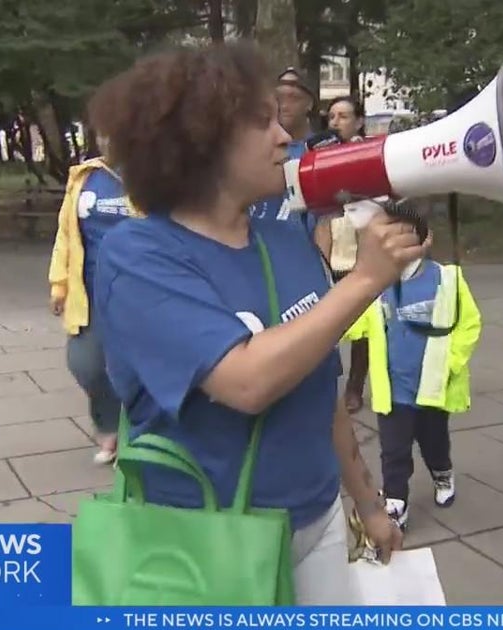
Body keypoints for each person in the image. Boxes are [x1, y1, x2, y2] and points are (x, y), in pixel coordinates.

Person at [90, 43, 421, 604]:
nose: (284, 137)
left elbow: (319, 386)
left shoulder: (282, 237)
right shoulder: (139, 256)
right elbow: (247, 382)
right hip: (210, 539)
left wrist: (366, 503)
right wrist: (365, 281)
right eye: (261, 121)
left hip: (317, 523)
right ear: (202, 138)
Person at [343, 231, 482, 529]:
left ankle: (442, 471)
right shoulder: (377, 285)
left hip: (433, 387)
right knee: (394, 449)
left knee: (434, 442)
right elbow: (351, 323)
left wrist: (451, 364)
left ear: (427, 239)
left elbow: (469, 324)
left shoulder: (448, 279)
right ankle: (396, 500)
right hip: (393, 391)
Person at [48, 82, 138, 464]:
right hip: (89, 291)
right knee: (84, 364)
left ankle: (133, 437)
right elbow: (66, 235)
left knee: (134, 365)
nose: (106, 139)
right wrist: (59, 284)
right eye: (102, 131)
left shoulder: (149, 176)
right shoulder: (85, 177)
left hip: (136, 290)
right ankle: (106, 424)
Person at [311, 95, 371, 414]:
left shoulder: (370, 154)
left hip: (359, 245)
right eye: (332, 116)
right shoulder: (323, 152)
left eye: (343, 116)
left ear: (359, 121)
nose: (335, 123)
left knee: (363, 328)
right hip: (329, 240)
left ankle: (354, 388)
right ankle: (325, 385)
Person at [247, 67, 318, 238]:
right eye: (279, 99)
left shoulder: (319, 152)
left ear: (309, 104)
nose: (284, 106)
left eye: (293, 98)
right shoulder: (254, 151)